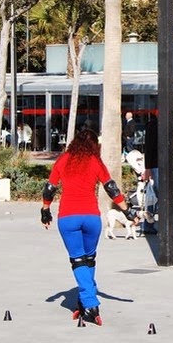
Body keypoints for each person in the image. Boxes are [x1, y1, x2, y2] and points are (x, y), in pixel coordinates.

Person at [40, 128, 132, 326]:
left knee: (78, 260)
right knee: (88, 260)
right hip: (91, 218)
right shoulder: (95, 161)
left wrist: (45, 210)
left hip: (68, 218)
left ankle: (90, 304)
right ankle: (84, 302)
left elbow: (50, 188)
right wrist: (127, 211)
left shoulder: (63, 160)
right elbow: (111, 188)